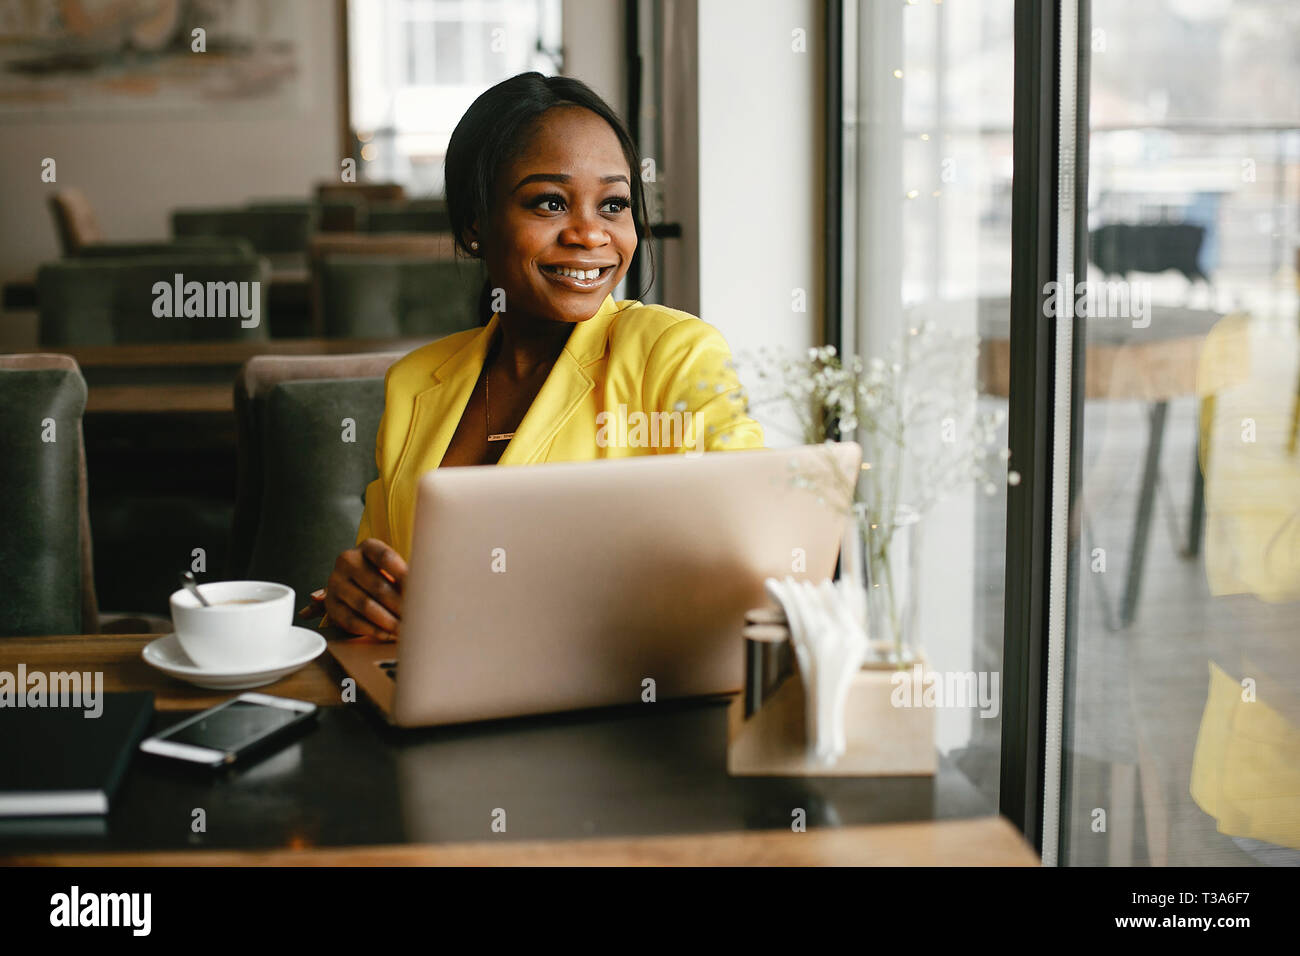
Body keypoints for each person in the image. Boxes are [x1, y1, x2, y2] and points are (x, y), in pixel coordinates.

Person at [313, 72, 763, 641]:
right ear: (476, 223)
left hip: (608, 704)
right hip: (427, 700)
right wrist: (354, 598)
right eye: (551, 202)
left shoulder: (670, 354)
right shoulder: (414, 383)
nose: (590, 234)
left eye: (613, 204)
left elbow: (753, 546)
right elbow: (384, 587)